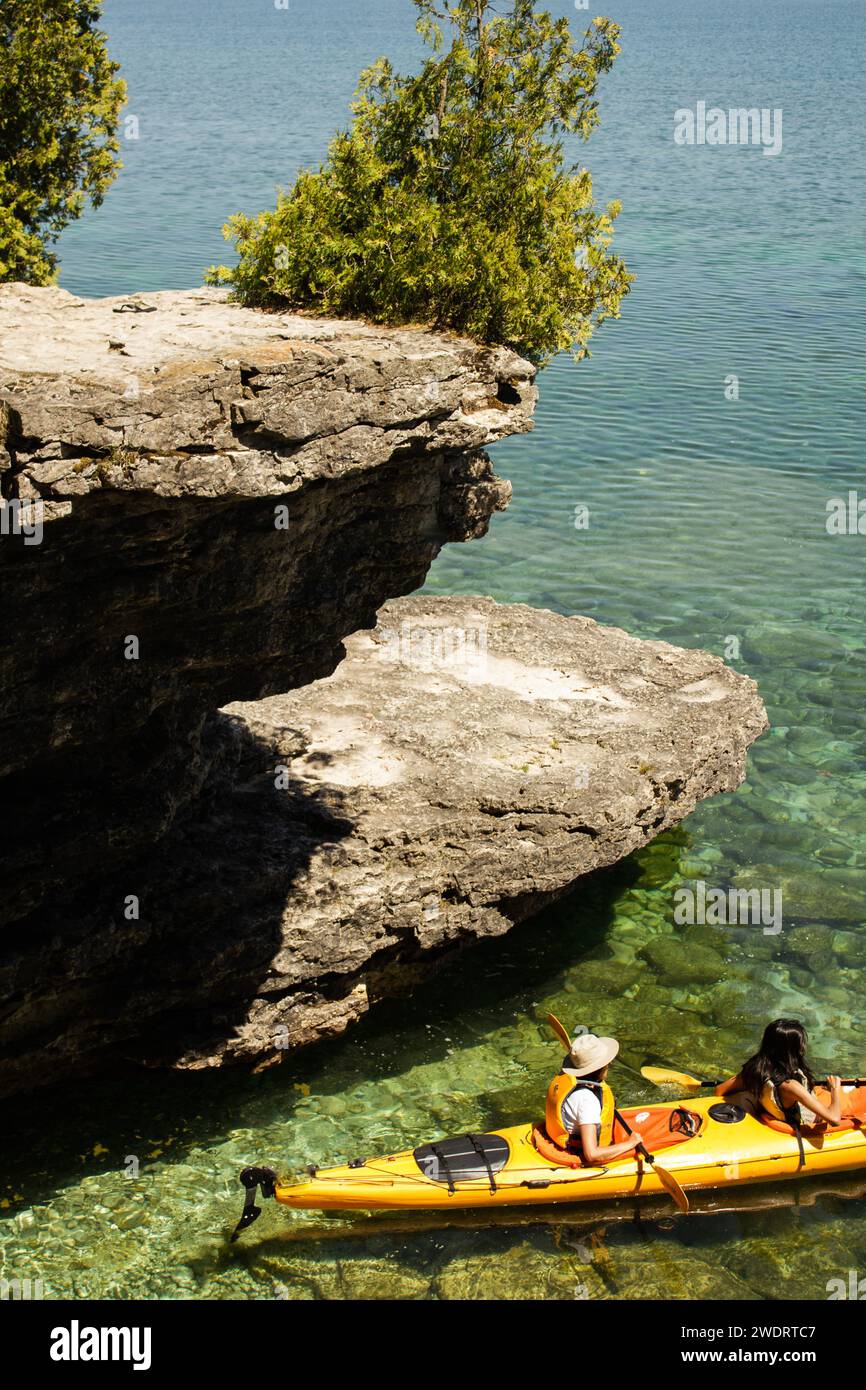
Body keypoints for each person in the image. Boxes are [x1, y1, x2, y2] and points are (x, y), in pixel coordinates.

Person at [714, 1018, 847, 1128]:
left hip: (775, 1110)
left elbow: (719, 1090)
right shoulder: (791, 1086)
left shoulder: (755, 1068)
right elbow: (834, 1120)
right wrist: (835, 1090)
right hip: (801, 1124)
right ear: (793, 1050)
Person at [545, 1031, 644, 1164]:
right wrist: (631, 1143)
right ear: (603, 1067)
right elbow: (592, 1154)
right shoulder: (587, 1100)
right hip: (574, 1153)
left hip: (555, 1139)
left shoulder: (567, 1080)